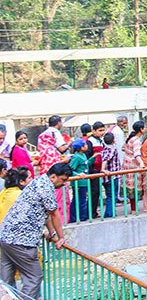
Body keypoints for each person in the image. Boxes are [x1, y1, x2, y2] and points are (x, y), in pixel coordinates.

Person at [0, 163, 70, 300]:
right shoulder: (46, 187)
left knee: (6, 278)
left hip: (5, 236)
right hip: (21, 240)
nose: (64, 184)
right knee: (34, 277)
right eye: (63, 180)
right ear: (54, 177)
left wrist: (52, 232)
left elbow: (45, 213)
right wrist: (61, 237)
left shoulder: (37, 182)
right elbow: (54, 214)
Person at [36, 116, 69, 222]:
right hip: (56, 180)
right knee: (59, 201)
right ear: (58, 123)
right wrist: (70, 143)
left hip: (45, 179)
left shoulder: (42, 150)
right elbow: (62, 149)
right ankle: (62, 221)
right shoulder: (53, 148)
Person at [121, 121, 146, 213]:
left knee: (131, 187)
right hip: (133, 166)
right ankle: (134, 209)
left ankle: (133, 209)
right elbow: (137, 153)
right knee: (135, 187)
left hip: (127, 165)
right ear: (141, 129)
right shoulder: (136, 140)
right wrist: (141, 163)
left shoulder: (131, 138)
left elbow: (123, 148)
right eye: (144, 128)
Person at [67, 138, 94, 223]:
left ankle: (82, 215)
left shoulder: (83, 155)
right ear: (81, 147)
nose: (86, 146)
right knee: (79, 200)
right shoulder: (76, 157)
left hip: (84, 181)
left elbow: (85, 164)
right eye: (85, 145)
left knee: (82, 199)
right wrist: (77, 175)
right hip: (78, 182)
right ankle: (78, 217)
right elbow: (70, 169)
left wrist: (92, 159)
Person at [86, 122, 106, 219]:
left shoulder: (101, 141)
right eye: (100, 130)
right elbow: (88, 157)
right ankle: (91, 212)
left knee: (97, 192)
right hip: (93, 170)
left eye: (103, 130)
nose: (102, 132)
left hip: (99, 169)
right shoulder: (90, 142)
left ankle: (93, 211)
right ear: (93, 131)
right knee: (94, 192)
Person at [100, 133, 121, 218]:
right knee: (112, 195)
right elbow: (106, 159)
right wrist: (103, 169)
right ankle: (109, 214)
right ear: (113, 141)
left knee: (110, 195)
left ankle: (111, 212)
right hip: (112, 176)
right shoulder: (111, 150)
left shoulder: (104, 149)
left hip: (106, 178)